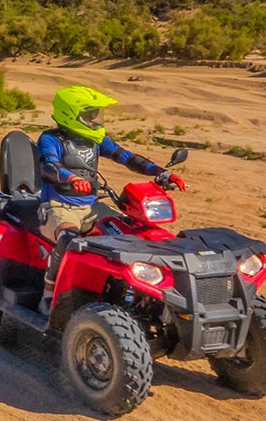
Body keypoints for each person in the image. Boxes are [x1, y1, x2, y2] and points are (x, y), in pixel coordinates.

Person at [37, 85, 186, 309]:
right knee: (68, 238)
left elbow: (125, 156)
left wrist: (160, 173)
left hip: (92, 206)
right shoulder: (50, 139)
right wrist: (70, 179)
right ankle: (48, 295)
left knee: (132, 231)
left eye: (97, 114)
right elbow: (50, 166)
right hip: (59, 206)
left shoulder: (96, 140)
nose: (96, 120)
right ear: (70, 114)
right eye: (90, 115)